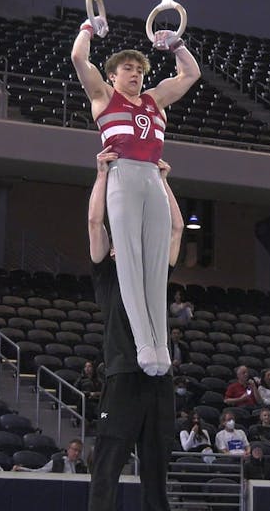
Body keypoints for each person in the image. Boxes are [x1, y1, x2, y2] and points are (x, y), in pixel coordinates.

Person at [70, 16, 200, 376]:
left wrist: (176, 44)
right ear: (112, 75)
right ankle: (144, 344)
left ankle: (161, 347)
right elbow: (79, 58)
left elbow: (191, 74)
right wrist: (88, 28)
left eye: (140, 70)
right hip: (122, 175)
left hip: (153, 177)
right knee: (127, 258)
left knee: (156, 265)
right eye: (128, 69)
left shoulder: (155, 99)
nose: (136, 75)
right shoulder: (103, 96)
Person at [86, 149, 184, 511]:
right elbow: (95, 222)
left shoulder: (154, 272)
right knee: (108, 464)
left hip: (159, 381)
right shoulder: (107, 274)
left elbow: (176, 229)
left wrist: (161, 181)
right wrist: (102, 175)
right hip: (124, 375)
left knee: (156, 470)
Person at [17, 440, 89, 473]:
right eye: (75, 450)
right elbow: (39, 472)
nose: (77, 453)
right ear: (68, 450)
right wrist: (21, 469)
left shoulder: (81, 467)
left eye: (79, 451)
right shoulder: (56, 463)